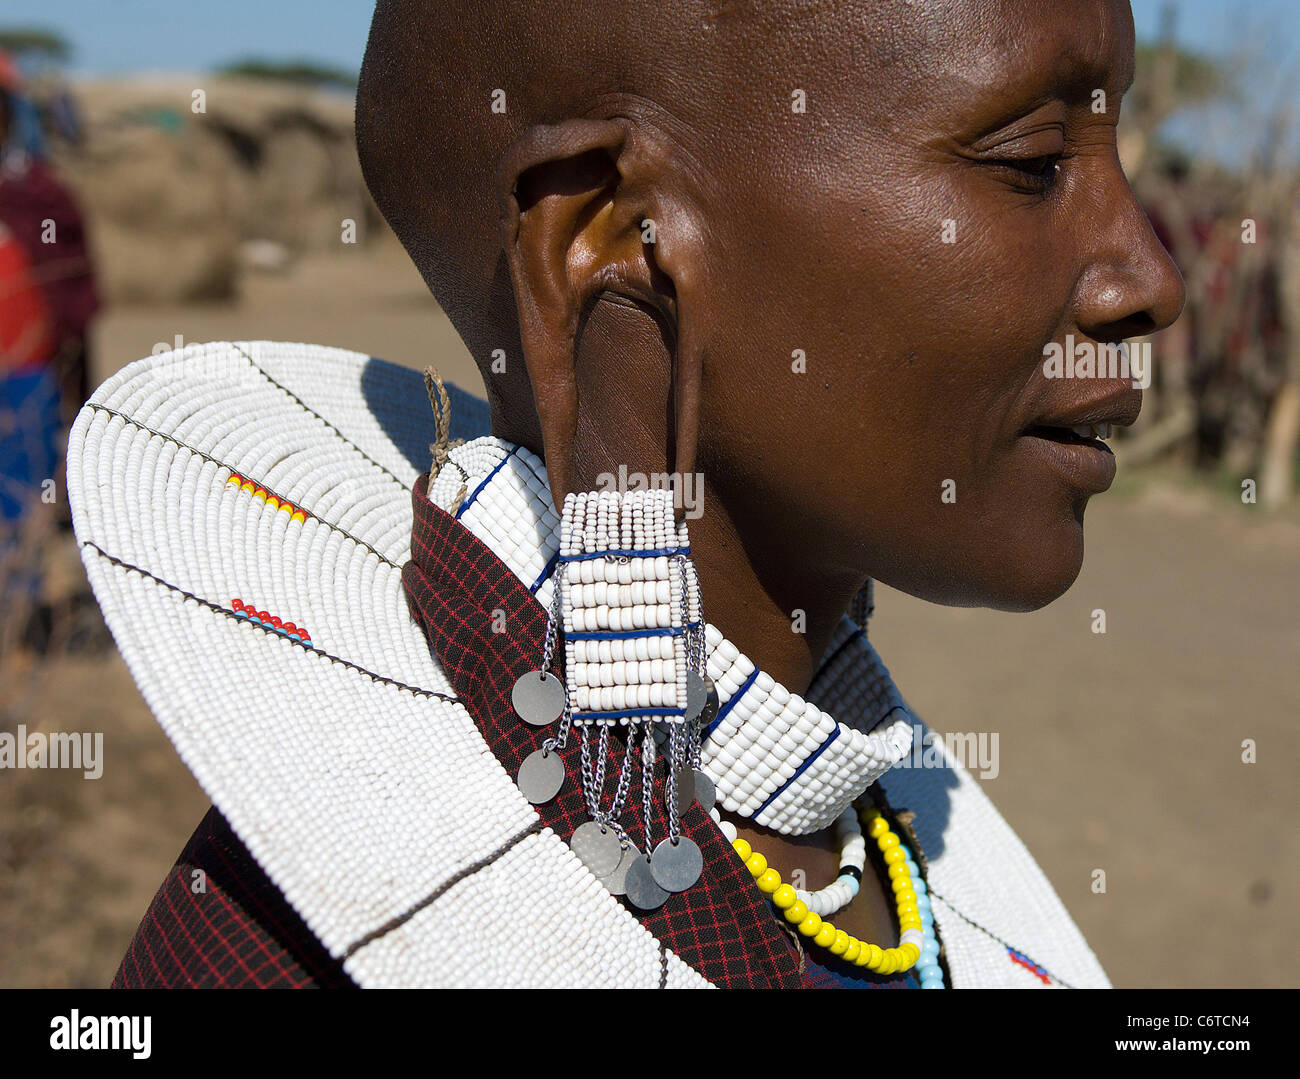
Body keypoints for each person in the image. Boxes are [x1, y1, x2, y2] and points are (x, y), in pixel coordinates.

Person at [76, 0, 1182, 988]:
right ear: (610, 242)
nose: (1148, 277)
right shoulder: (280, 949)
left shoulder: (862, 839)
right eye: (1033, 163)